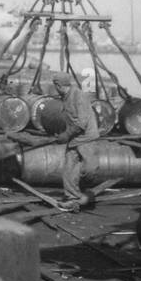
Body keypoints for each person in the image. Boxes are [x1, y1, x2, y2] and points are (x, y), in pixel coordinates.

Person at [51, 71, 99, 208]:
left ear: (58, 85)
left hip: (86, 138)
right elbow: (69, 119)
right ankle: (72, 197)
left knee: (90, 170)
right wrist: (63, 133)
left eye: (55, 86)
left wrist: (66, 135)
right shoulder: (65, 97)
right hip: (74, 139)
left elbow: (82, 123)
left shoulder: (78, 96)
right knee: (68, 168)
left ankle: (82, 193)